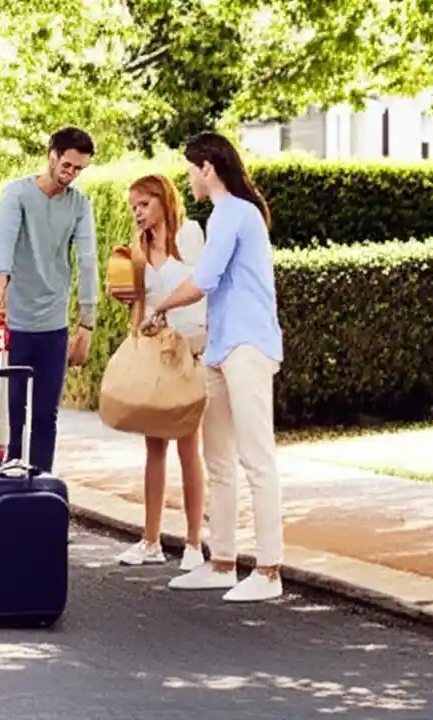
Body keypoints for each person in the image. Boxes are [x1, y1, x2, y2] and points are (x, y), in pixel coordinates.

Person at [143, 131, 285, 603]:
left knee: (255, 457)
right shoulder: (226, 215)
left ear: (207, 168)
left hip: (248, 345)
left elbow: (204, 280)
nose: (188, 178)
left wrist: (160, 305)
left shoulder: (235, 214)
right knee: (218, 458)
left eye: (190, 169)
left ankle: (268, 570)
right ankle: (222, 561)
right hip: (221, 348)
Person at [110, 174, 208, 571]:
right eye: (133, 206)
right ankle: (150, 540)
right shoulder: (137, 249)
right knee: (154, 446)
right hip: (155, 349)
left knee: (188, 445)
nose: (137, 212)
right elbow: (140, 305)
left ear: (163, 200)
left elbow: (204, 288)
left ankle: (193, 543)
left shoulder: (191, 236)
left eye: (144, 204)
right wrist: (132, 324)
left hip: (187, 349)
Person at [0, 127, 100, 472]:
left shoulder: (79, 204)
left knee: (46, 416)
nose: (71, 174)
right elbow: (4, 239)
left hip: (54, 324)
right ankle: (11, 481)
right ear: (52, 155)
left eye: (78, 169)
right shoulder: (17, 194)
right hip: (17, 320)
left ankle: (41, 483)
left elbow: (87, 258)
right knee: (15, 411)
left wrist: (86, 323)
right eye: (67, 165)